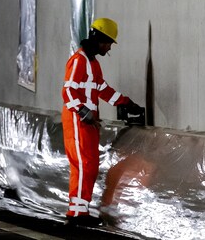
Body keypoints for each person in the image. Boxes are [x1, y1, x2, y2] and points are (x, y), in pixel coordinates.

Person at [60, 17, 143, 227]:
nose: (108, 48)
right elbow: (68, 91)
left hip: (87, 122)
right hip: (78, 121)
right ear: (99, 38)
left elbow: (101, 89)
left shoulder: (92, 63)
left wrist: (126, 102)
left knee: (88, 165)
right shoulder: (79, 61)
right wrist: (83, 111)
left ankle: (79, 211)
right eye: (108, 43)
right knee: (84, 165)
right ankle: (77, 214)